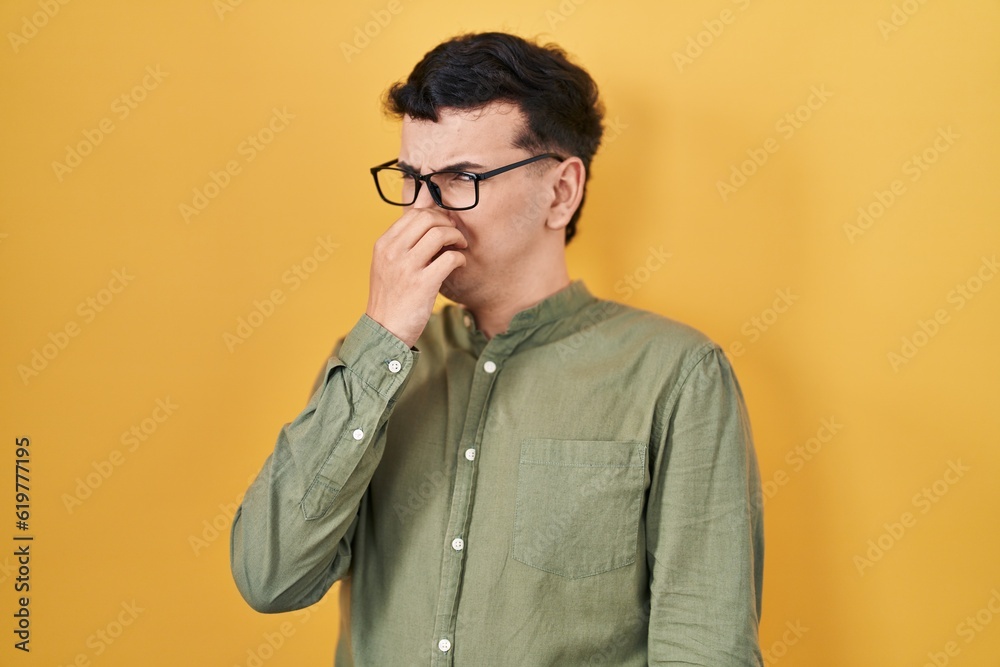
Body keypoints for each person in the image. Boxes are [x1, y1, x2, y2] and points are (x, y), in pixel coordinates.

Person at [230, 31, 764, 666]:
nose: (424, 214)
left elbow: (705, 647)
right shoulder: (371, 364)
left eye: (461, 177)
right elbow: (269, 578)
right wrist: (380, 341)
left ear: (561, 192)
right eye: (411, 178)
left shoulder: (675, 375)